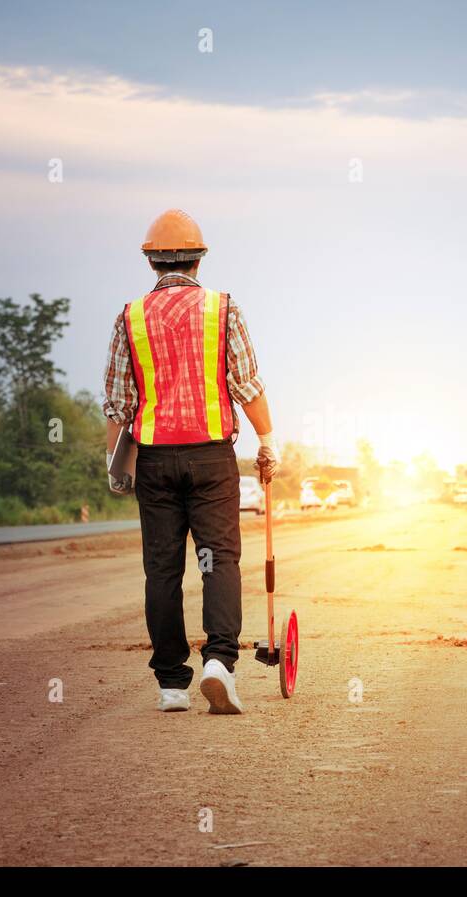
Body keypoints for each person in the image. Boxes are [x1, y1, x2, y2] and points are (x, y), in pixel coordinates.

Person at [102, 209, 278, 714]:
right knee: (218, 559)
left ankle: (171, 684)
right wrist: (267, 441)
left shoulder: (129, 317)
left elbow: (118, 401)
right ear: (199, 259)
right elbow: (246, 384)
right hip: (210, 458)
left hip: (155, 461)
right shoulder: (223, 310)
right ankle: (219, 661)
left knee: (162, 568)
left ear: (151, 261)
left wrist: (116, 467)